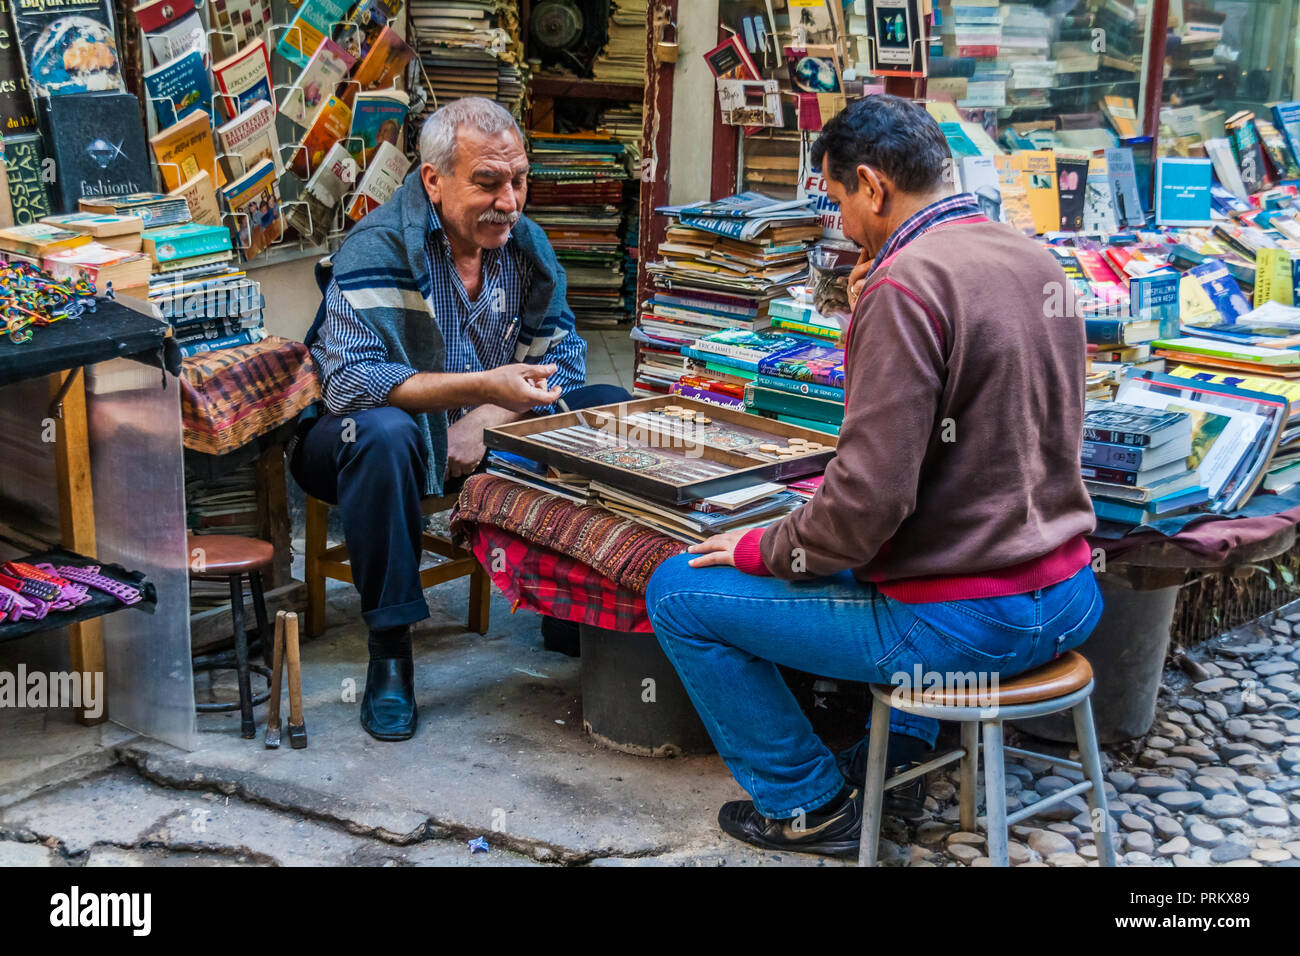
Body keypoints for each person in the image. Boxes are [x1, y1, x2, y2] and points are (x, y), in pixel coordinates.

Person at [644, 94, 1103, 858]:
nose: (841, 226)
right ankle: (910, 753)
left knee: (680, 592)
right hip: (1068, 598)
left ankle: (808, 805)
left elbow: (870, 501)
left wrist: (766, 548)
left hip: (970, 630)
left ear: (873, 185)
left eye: (837, 202)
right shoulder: (1031, 257)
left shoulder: (905, 286)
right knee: (871, 553)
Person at [290, 97, 627, 742]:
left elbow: (566, 355)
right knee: (383, 437)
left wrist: (488, 416)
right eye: (488, 182)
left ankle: (574, 611)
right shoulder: (377, 244)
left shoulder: (523, 245)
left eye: (519, 180)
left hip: (482, 430)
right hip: (356, 438)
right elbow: (351, 383)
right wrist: (474, 395)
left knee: (605, 409)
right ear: (433, 181)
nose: (509, 201)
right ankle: (390, 653)